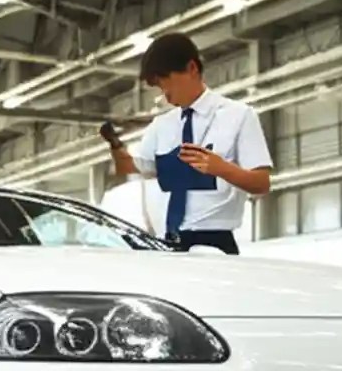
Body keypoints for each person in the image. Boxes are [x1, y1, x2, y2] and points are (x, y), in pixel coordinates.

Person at [102, 32, 273, 254]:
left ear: (192, 68)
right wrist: (116, 146)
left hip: (215, 243)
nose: (163, 91)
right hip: (167, 243)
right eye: (157, 85)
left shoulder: (238, 116)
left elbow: (262, 183)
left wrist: (220, 168)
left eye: (165, 80)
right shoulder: (160, 126)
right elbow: (130, 168)